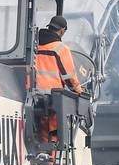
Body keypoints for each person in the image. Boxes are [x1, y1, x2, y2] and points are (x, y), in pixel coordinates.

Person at [32, 15, 82, 146]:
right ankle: (50, 156)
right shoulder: (60, 48)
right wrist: (79, 92)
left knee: (41, 131)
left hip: (33, 95)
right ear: (62, 30)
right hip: (52, 98)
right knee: (53, 133)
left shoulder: (34, 45)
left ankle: (43, 154)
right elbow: (69, 77)